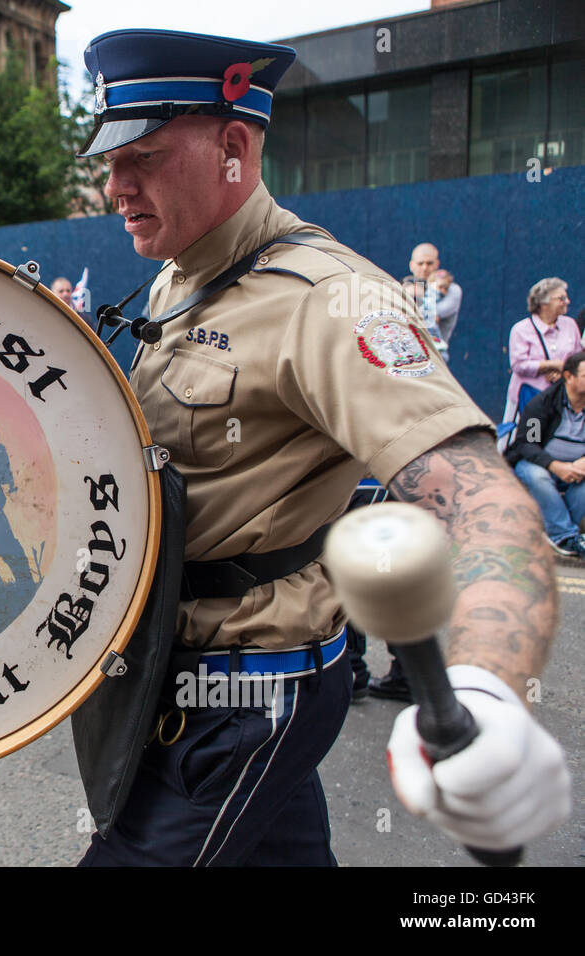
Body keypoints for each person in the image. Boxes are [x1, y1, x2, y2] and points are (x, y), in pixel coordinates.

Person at [72, 28, 569, 866]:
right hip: (170, 665)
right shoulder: (176, 274)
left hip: (243, 694)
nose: (114, 186)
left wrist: (488, 688)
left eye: (144, 157)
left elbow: (483, 502)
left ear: (234, 147)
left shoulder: (336, 302)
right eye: (111, 161)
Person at [506, 349, 585, 559]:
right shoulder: (542, 403)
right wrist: (556, 466)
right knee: (536, 476)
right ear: (569, 377)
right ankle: (566, 536)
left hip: (578, 469)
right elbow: (527, 444)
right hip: (542, 465)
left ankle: (562, 535)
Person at [503, 278, 580, 425]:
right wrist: (552, 365)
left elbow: (577, 359)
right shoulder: (521, 330)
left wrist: (563, 372)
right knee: (532, 438)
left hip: (561, 399)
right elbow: (518, 365)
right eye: (561, 298)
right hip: (529, 399)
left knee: (553, 439)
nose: (568, 301)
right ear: (544, 303)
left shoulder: (570, 325)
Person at [401, 243, 449, 361]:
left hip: (437, 354)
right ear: (411, 265)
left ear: (437, 264)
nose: (425, 268)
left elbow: (434, 315)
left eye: (429, 263)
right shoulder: (404, 286)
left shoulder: (449, 288)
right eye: (420, 263)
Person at [433, 267, 462, 346]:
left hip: (437, 347)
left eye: (445, 288)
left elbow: (433, 316)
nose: (442, 291)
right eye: (440, 287)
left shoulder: (454, 291)